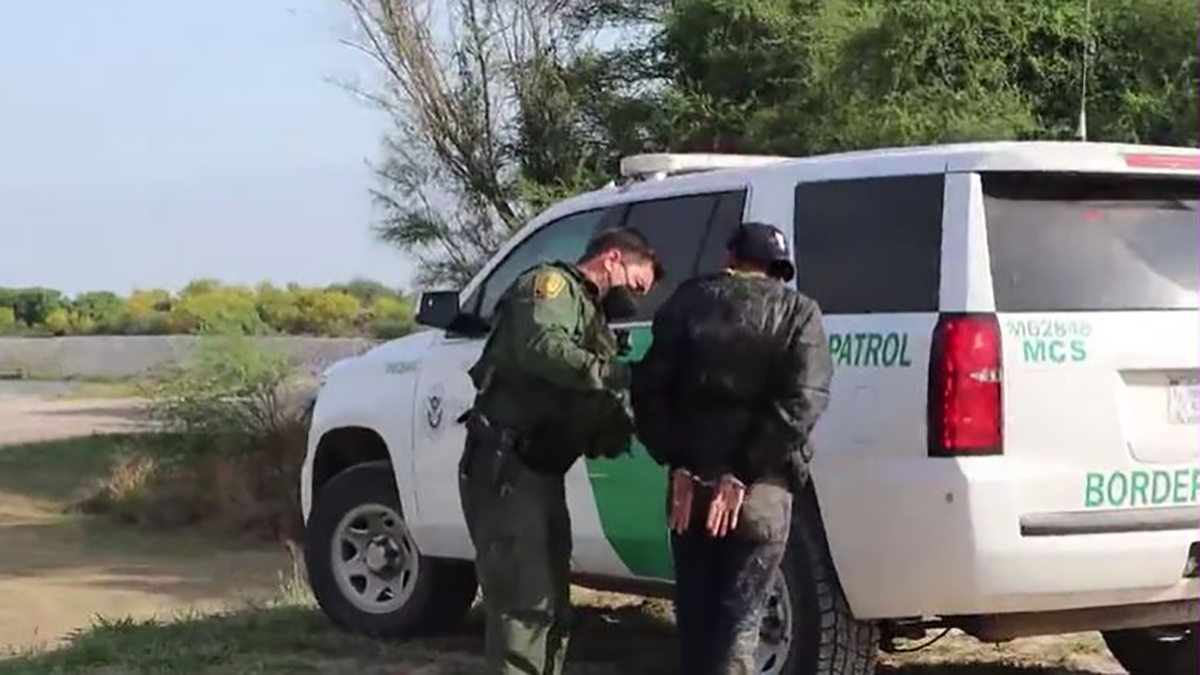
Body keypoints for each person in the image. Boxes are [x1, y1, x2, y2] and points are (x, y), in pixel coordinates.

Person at [631, 222, 834, 675]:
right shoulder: (800, 313)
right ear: (779, 269)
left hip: (691, 490)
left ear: (728, 259)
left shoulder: (688, 301)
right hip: (758, 492)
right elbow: (802, 404)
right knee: (739, 624)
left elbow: (646, 391)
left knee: (696, 622)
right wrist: (740, 471)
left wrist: (680, 461)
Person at [459, 226, 662, 675]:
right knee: (523, 604)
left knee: (550, 603)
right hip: (507, 469)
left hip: (539, 470)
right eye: (635, 283)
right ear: (612, 259)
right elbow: (542, 349)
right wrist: (614, 375)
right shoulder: (550, 288)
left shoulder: (591, 314)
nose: (634, 298)